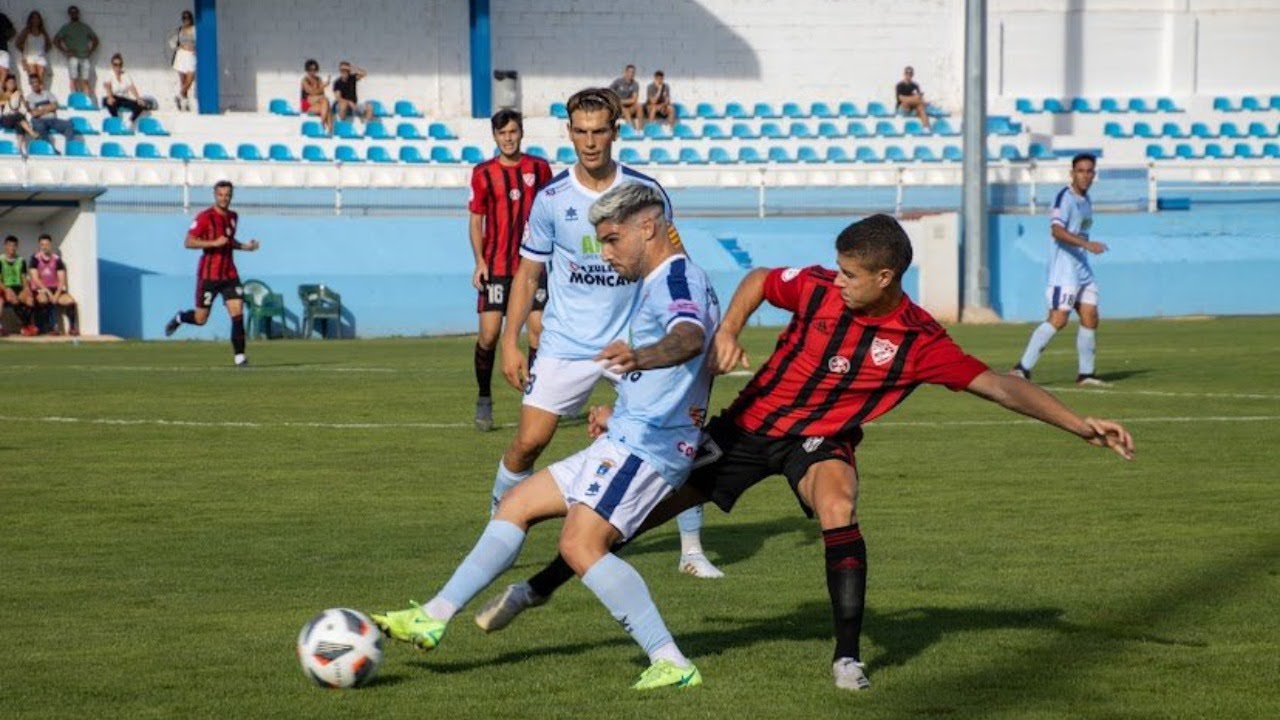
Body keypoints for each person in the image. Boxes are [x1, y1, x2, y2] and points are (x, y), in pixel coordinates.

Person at [476, 214, 1136, 692]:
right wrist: (729, 328)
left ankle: (847, 658)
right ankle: (534, 590)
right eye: (838, 268)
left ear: (887, 276)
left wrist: (1079, 424)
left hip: (821, 440)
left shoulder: (918, 340)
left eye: (852, 273)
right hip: (748, 428)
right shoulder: (819, 288)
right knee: (637, 516)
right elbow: (762, 279)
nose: (837, 280)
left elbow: (999, 385)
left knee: (839, 504)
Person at [374, 182, 720, 691]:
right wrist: (618, 400)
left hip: (649, 447)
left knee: (581, 546)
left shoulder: (676, 278)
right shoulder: (664, 278)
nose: (604, 253)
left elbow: (687, 338)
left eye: (611, 239)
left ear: (647, 227)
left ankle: (669, 659)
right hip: (629, 434)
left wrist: (640, 359)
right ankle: (433, 615)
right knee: (515, 503)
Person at [485, 87, 722, 583]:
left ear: (616, 131)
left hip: (636, 344)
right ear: (569, 132)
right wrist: (510, 341)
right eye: (581, 131)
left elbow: (676, 261)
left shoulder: (647, 193)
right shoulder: (550, 199)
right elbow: (527, 274)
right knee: (530, 442)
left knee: (674, 439)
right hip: (567, 343)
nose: (590, 142)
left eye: (599, 131)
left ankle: (693, 550)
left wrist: (700, 326)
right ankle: (497, 526)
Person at [468, 109, 554, 432]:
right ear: (494, 136)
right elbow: (476, 220)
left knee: (538, 331)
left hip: (531, 266)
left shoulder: (540, 168)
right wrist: (479, 261)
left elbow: (552, 209)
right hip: (497, 266)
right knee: (489, 336)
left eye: (513, 132)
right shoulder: (483, 173)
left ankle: (531, 403)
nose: (508, 137)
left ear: (521, 134)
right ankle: (484, 398)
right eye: (502, 133)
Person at [1011, 153, 1108, 386]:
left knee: (1090, 317)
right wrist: (1087, 245)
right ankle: (1021, 369)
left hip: (1082, 267)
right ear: (1072, 173)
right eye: (1081, 171)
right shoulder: (1064, 198)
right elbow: (1056, 231)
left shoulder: (1086, 200)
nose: (1085, 175)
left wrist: (1085, 248)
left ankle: (1086, 374)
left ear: (1094, 174)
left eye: (1089, 171)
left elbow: (1080, 230)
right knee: (1058, 319)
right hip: (1064, 271)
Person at [163, 181, 262, 367]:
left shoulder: (233, 216)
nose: (224, 198)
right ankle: (180, 317)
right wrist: (213, 243)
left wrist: (245, 247)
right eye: (221, 195)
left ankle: (240, 357)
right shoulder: (204, 217)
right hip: (209, 276)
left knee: (238, 312)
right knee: (201, 319)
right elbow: (188, 242)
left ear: (231, 196)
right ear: (215, 195)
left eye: (227, 195)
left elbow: (228, 241)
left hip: (229, 274)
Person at [27, 234, 79, 336]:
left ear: (50, 245)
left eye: (47, 244)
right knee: (43, 300)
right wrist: (49, 293)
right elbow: (35, 279)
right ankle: (49, 327)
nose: (45, 246)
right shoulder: (35, 258)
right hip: (41, 290)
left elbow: (61, 280)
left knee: (70, 301)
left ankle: (72, 328)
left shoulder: (57, 259)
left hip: (55, 290)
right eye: (42, 244)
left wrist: (56, 294)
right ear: (39, 245)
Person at [25, 73, 79, 150]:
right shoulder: (29, 98)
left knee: (69, 125)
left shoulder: (47, 93)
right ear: (30, 84)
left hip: (53, 120)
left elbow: (55, 106)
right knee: (38, 126)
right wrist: (49, 108)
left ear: (39, 82)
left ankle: (70, 148)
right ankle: (51, 149)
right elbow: (34, 113)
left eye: (36, 82)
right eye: (32, 82)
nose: (34, 84)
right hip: (40, 121)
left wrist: (41, 109)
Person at [53, 5, 97, 98]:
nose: (74, 14)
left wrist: (91, 51)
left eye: (75, 12)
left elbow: (95, 40)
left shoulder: (85, 27)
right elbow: (56, 40)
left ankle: (87, 100)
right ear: (69, 14)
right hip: (73, 57)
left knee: (85, 80)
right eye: (72, 12)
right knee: (74, 79)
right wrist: (65, 51)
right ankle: (75, 100)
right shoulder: (66, 27)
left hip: (84, 56)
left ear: (78, 13)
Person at [1, 235, 37, 336]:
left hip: (19, 288)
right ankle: (27, 326)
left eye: (14, 246)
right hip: (5, 288)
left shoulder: (21, 260)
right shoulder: (1, 260)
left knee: (30, 299)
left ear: (17, 247)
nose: (12, 248)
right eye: (9, 245)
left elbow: (24, 278)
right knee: (14, 299)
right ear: (5, 246)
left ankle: (26, 327)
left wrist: (27, 289)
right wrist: (6, 289)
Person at [101, 53, 146, 124]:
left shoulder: (126, 75)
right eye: (115, 64)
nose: (118, 67)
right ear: (112, 65)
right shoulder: (109, 74)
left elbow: (132, 87)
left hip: (123, 99)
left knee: (141, 105)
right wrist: (109, 97)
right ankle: (116, 121)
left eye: (120, 64)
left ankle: (130, 121)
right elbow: (108, 86)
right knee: (110, 103)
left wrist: (138, 98)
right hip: (113, 97)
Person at [0, 74, 38, 153]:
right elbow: (3, 110)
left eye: (13, 83)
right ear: (6, 84)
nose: (12, 85)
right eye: (10, 83)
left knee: (19, 123)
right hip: (5, 119)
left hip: (17, 118)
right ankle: (32, 132)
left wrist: (21, 97)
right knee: (19, 116)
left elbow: (25, 108)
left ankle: (19, 148)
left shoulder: (18, 94)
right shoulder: (3, 95)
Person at [15, 11, 51, 88]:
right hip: (29, 58)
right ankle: (35, 99)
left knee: (41, 81)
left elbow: (49, 44)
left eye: (37, 18)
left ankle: (42, 98)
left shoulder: (42, 31)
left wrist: (43, 52)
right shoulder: (27, 30)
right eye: (33, 18)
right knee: (33, 80)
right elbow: (18, 43)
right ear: (30, 20)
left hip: (40, 58)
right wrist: (24, 53)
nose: (35, 20)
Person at [169, 10, 196, 111]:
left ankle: (179, 96)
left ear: (191, 19)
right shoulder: (180, 30)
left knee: (190, 79)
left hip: (191, 56)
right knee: (183, 81)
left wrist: (195, 48)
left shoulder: (194, 29)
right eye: (184, 18)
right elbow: (172, 42)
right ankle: (185, 103)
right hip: (181, 56)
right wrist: (179, 46)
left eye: (188, 18)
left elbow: (200, 41)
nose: (186, 20)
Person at [300, 59, 332, 134]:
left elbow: (321, 93)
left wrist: (321, 88)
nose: (313, 72)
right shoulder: (304, 80)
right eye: (310, 70)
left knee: (326, 106)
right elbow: (311, 92)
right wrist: (323, 86)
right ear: (307, 70)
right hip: (307, 104)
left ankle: (329, 130)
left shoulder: (318, 79)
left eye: (314, 70)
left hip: (317, 104)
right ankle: (322, 124)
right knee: (325, 100)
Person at [895, 66, 930, 130]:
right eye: (907, 73)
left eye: (910, 74)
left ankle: (926, 127)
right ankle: (921, 103)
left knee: (921, 107)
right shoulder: (899, 85)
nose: (909, 75)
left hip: (913, 108)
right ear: (904, 74)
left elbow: (919, 97)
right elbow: (901, 98)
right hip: (903, 108)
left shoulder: (915, 85)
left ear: (912, 75)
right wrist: (915, 99)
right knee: (909, 103)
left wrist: (917, 99)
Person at [608, 64, 642, 130]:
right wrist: (616, 102)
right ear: (625, 72)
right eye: (629, 72)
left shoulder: (635, 84)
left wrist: (621, 101)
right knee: (625, 110)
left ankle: (640, 130)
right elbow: (609, 93)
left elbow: (634, 99)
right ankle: (631, 129)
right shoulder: (618, 82)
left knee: (639, 106)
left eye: (633, 72)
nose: (631, 74)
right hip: (618, 108)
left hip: (628, 106)